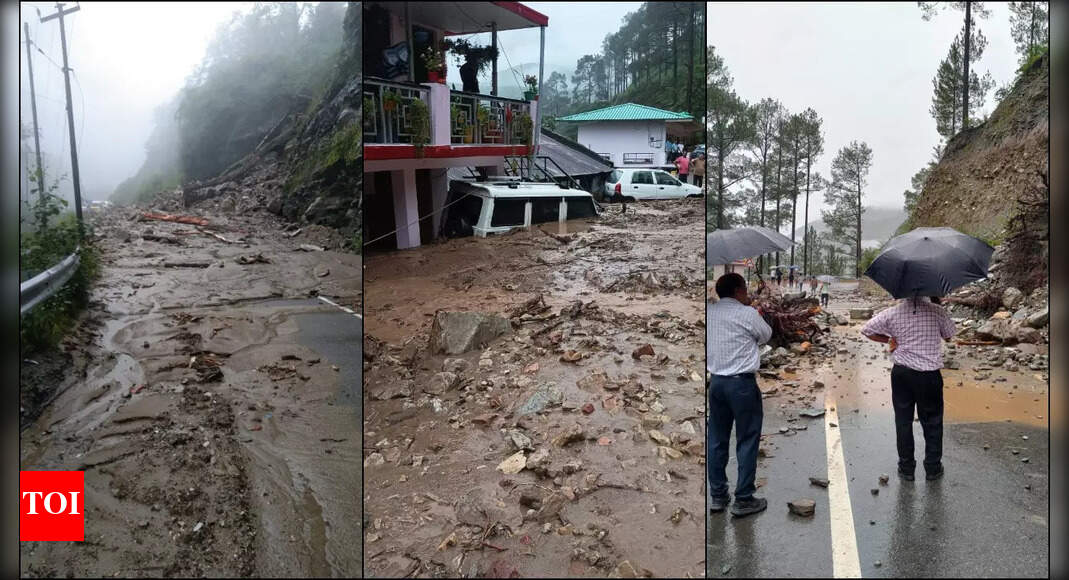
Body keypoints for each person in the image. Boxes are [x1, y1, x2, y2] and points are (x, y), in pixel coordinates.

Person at [860, 295, 955, 481]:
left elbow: (867, 330)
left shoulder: (893, 312)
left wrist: (889, 340)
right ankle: (933, 468)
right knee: (933, 421)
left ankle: (906, 468)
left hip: (902, 374)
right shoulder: (937, 311)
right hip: (929, 375)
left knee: (903, 420)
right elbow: (949, 336)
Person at [708, 273, 773, 517]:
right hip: (742, 386)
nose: (747, 293)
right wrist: (757, 314)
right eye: (745, 289)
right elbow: (766, 335)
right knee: (747, 440)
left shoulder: (710, 311)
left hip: (716, 384)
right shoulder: (747, 314)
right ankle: (743, 498)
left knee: (716, 439)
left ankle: (718, 496)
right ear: (737, 291)